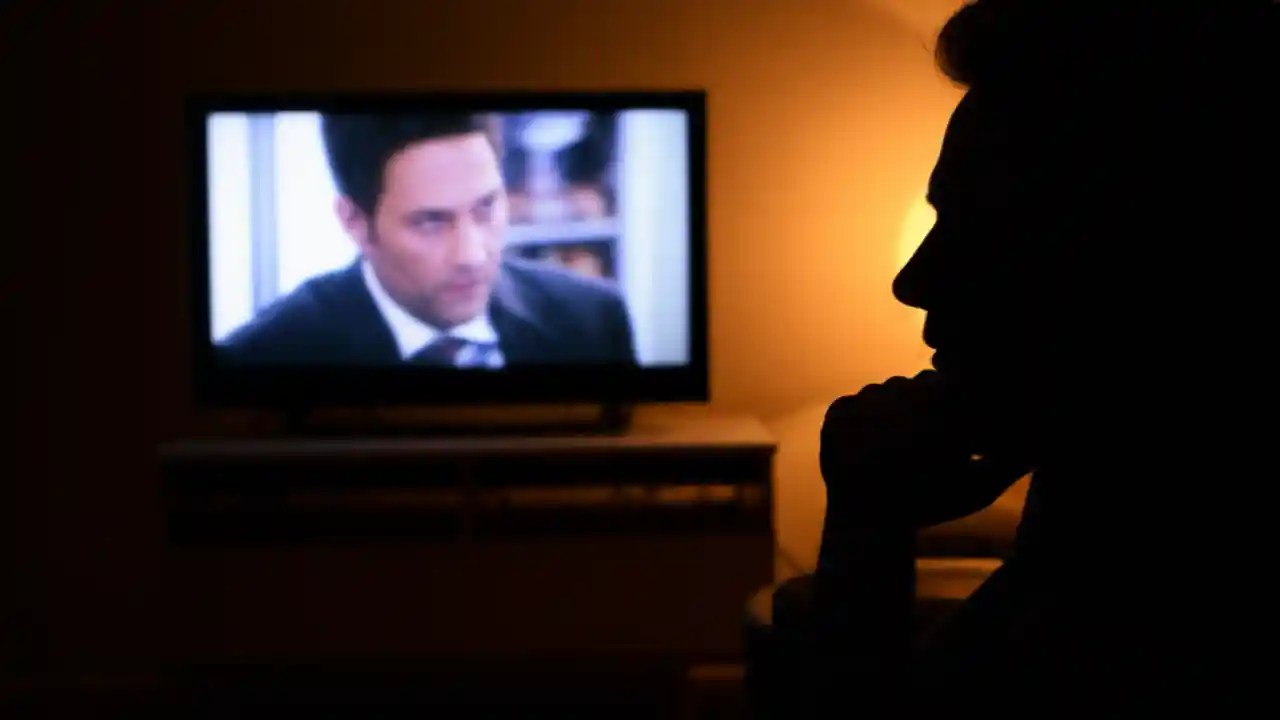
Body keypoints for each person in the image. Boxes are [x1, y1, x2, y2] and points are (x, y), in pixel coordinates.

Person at [809, 0, 1276, 714]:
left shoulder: (1169, 582)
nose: (912, 283)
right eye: (942, 219)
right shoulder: (1104, 492)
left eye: (984, 226)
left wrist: (864, 525)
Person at [217, 113, 636, 367]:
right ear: (354, 222)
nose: (473, 256)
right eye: (431, 222)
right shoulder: (265, 357)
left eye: (486, 207)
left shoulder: (596, 322)